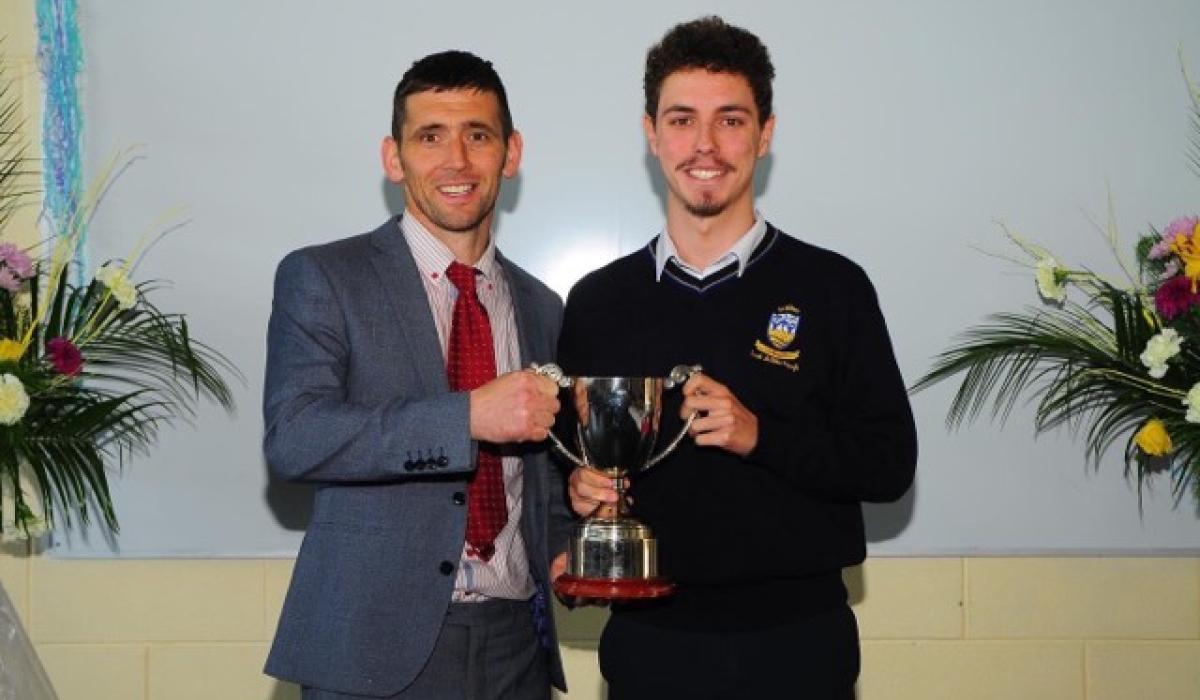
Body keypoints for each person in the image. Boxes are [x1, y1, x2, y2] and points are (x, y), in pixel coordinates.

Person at [561, 17, 918, 699]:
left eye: (729, 120)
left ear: (765, 133)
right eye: (682, 119)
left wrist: (761, 436)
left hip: (799, 641)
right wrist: (579, 492)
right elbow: (569, 463)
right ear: (651, 134)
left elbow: (889, 464)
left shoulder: (833, 286)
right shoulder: (599, 301)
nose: (705, 145)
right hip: (649, 642)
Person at [263, 50, 573, 700]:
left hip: (517, 646)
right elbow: (295, 438)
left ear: (511, 154)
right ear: (393, 156)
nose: (456, 160)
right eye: (430, 136)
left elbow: (538, 475)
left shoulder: (543, 305)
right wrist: (464, 418)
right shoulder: (324, 277)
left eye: (478, 136)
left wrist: (576, 526)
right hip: (371, 652)